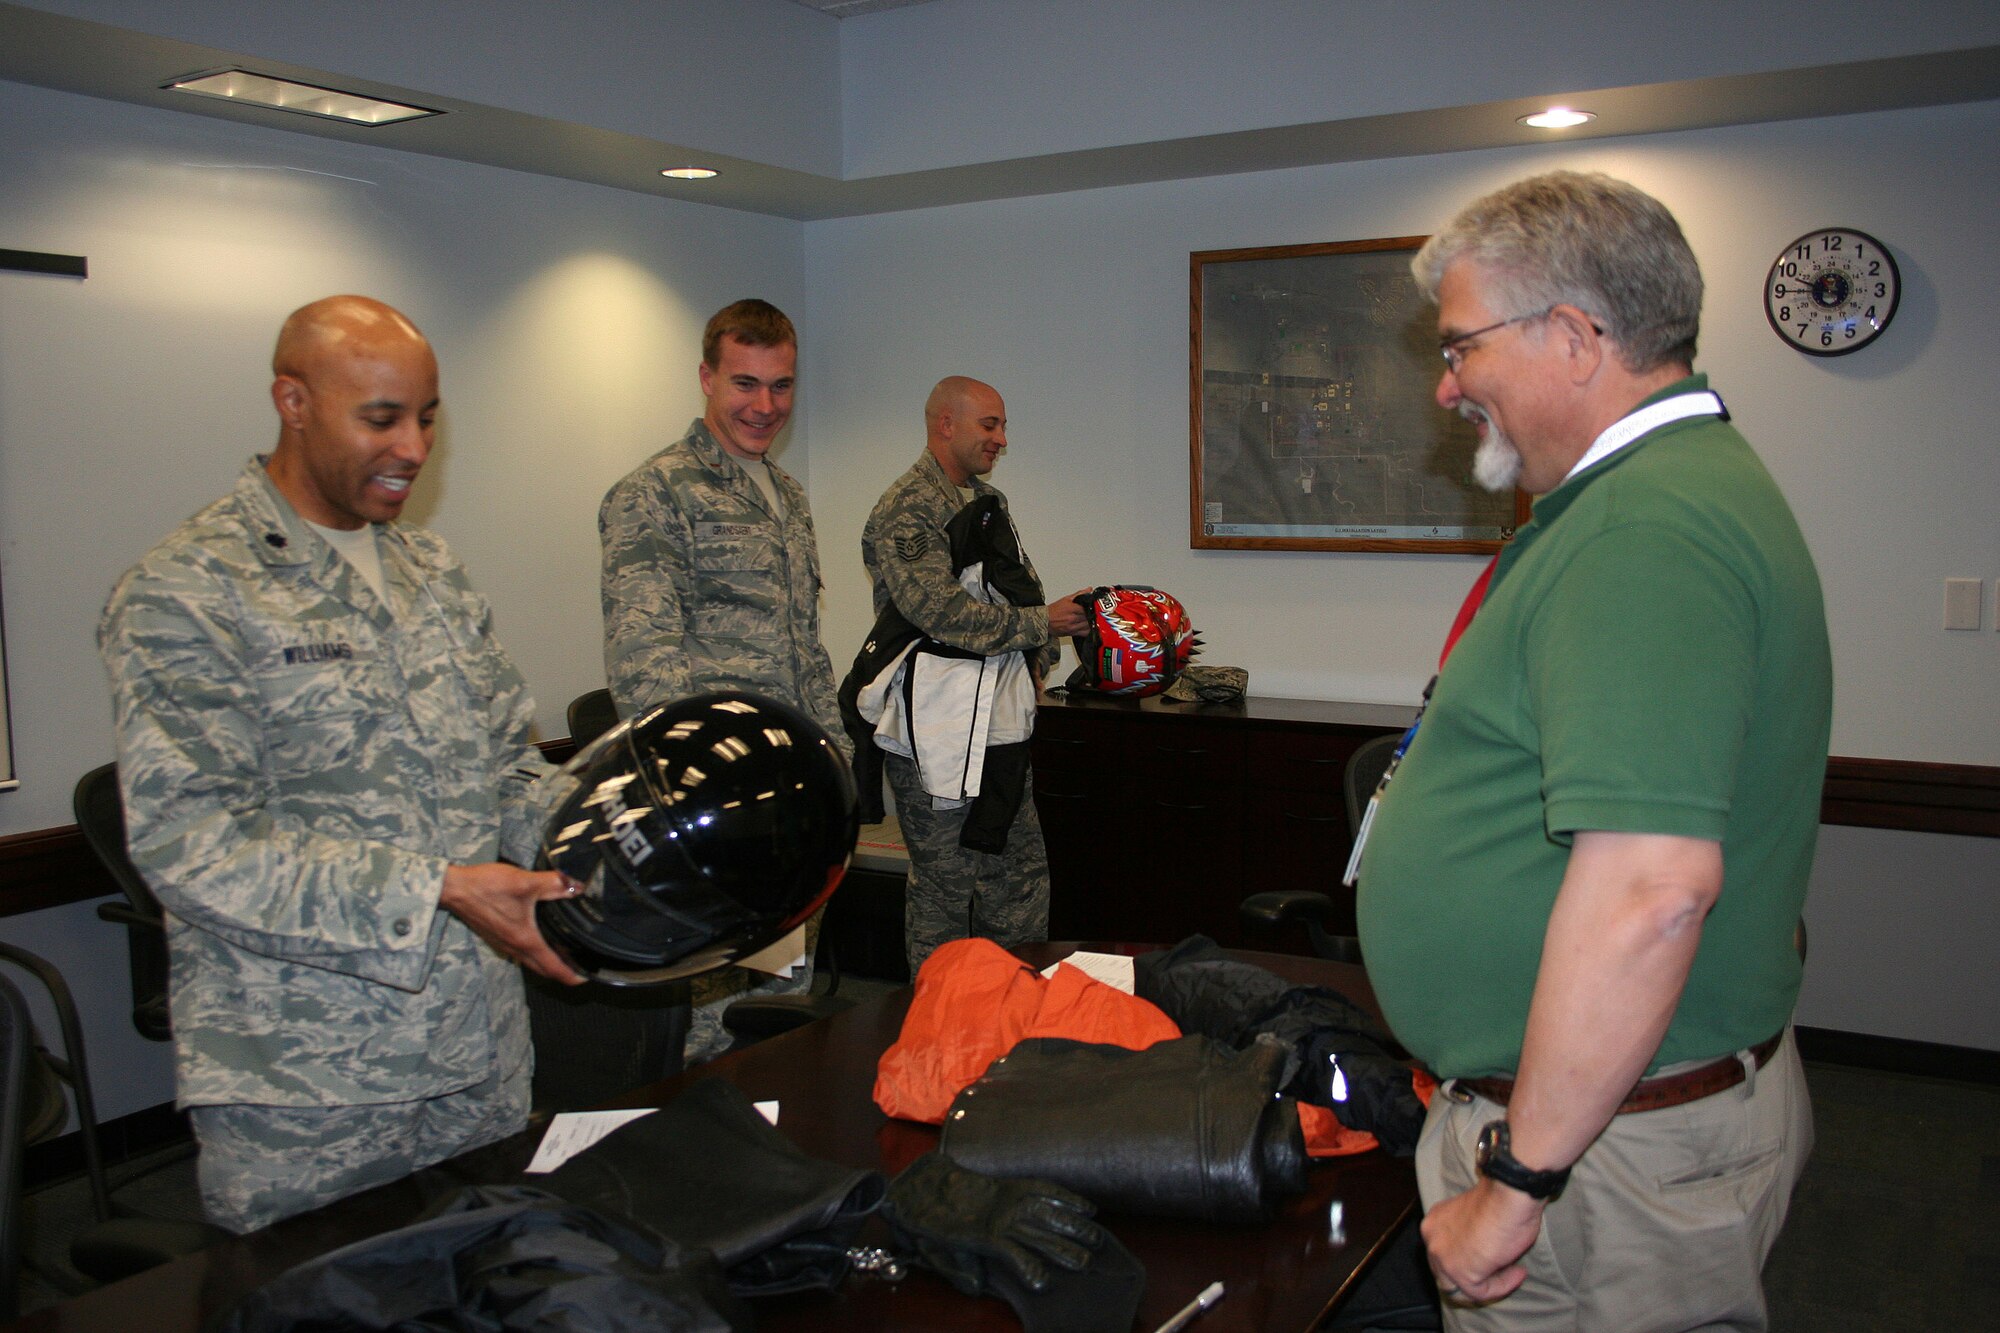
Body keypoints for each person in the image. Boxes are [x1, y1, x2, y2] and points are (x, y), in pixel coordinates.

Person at [1356, 172, 1831, 1332]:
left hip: (1597, 1163)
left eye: (1462, 346)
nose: (1446, 381)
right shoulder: (1650, 498)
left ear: (1572, 337)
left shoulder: (1641, 529)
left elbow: (1650, 891)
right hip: (1624, 1128)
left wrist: (1515, 1184)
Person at [98, 296, 583, 1234]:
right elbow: (191, 845)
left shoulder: (432, 574)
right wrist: (433, 887)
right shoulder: (188, 590)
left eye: (428, 417)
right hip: (311, 1087)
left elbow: (506, 769)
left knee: (498, 1284)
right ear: (293, 400)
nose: (412, 446)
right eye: (381, 418)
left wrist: (609, 829)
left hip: (475, 1052)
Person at [598, 299, 840, 1059]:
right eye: (745, 383)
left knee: (781, 1001)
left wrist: (834, 759)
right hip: (721, 806)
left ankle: (773, 1148)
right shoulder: (654, 493)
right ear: (705, 377)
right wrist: (697, 800)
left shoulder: (787, 495)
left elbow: (805, 641)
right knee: (714, 1014)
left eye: (781, 386)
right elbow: (645, 664)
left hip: (795, 796)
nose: (764, 406)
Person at [852, 376, 1090, 976]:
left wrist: (1043, 654)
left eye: (1003, 426)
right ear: (945, 424)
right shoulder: (908, 507)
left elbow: (1016, 592)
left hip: (1000, 730)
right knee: (945, 891)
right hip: (936, 729)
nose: (1001, 439)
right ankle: (938, 1024)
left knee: (1019, 881)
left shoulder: (987, 505)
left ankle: (1013, 1013)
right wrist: (1043, 623)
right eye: (990, 425)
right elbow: (940, 613)